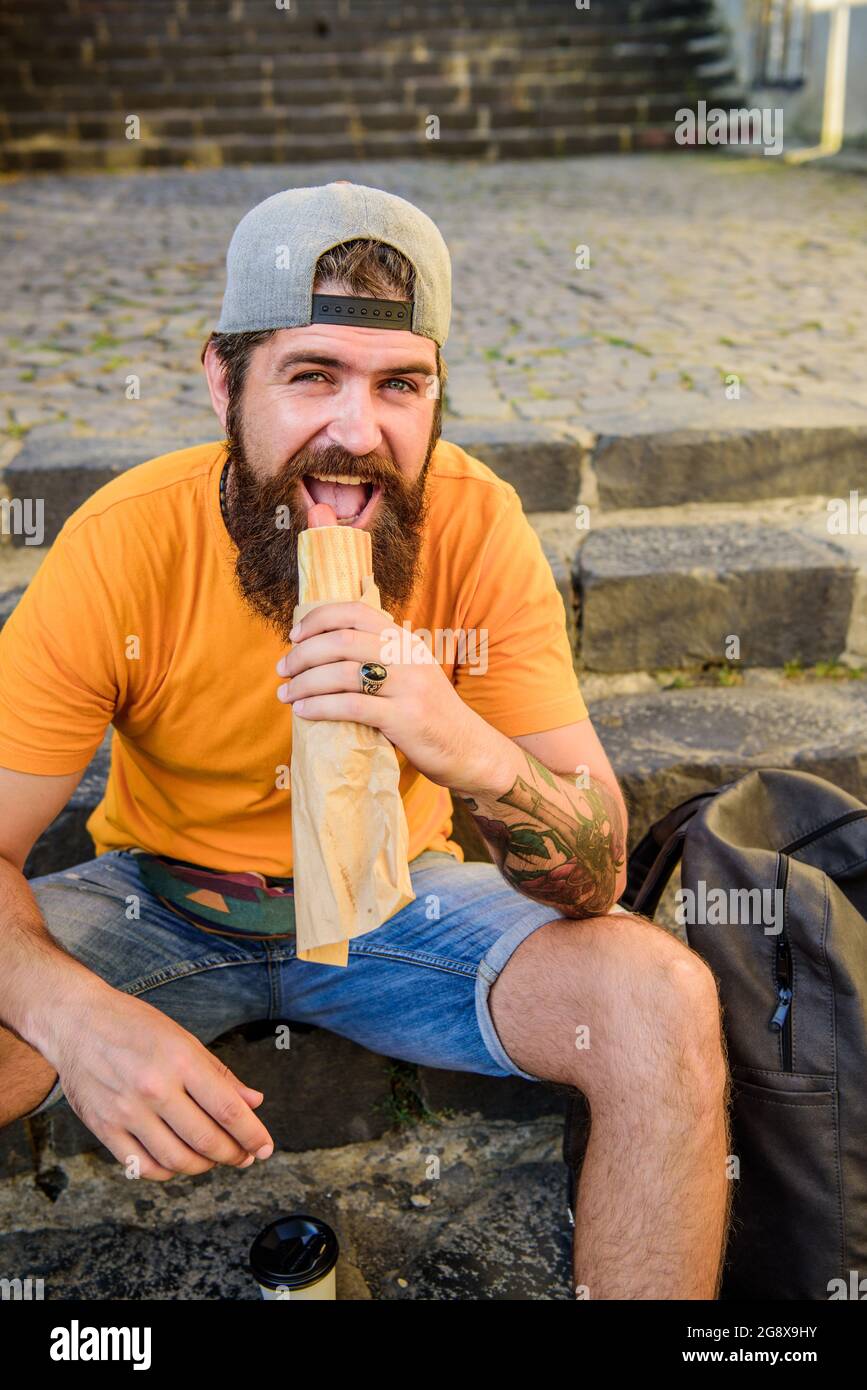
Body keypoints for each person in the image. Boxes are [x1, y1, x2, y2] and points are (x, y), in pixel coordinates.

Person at [0, 181, 731, 1299]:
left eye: (401, 384)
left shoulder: (477, 526)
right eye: (310, 376)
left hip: (403, 902)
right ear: (221, 381)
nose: (357, 432)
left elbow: (598, 873)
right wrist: (74, 1016)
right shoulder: (121, 544)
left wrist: (461, 741)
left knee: (659, 996)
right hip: (165, 902)